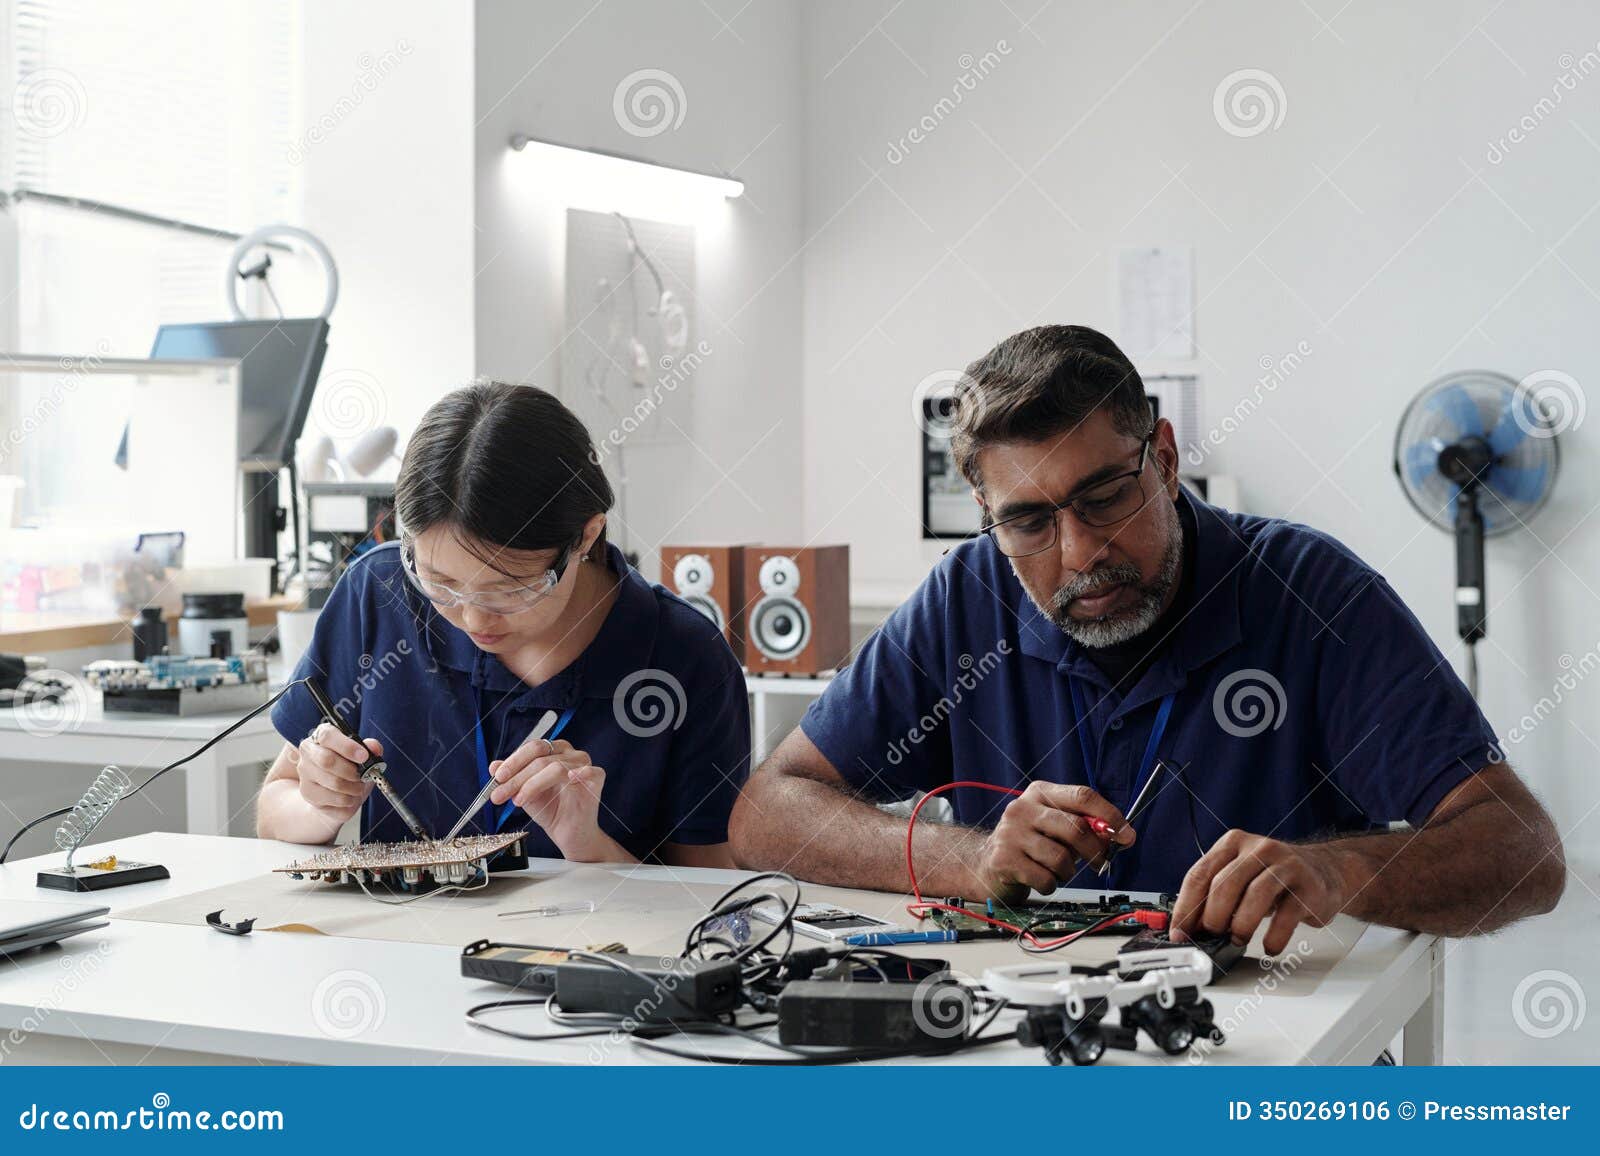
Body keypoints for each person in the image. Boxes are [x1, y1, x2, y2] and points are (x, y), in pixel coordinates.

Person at [729, 325, 1565, 954]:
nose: (1079, 551)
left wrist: (1340, 872)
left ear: (1164, 459)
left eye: (1103, 497)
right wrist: (969, 862)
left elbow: (1524, 855)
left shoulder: (1313, 595)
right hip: (1019, 1046)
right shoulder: (967, 595)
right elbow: (767, 813)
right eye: (1027, 521)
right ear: (988, 519)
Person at [258, 381, 748, 867]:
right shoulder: (379, 594)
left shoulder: (685, 656)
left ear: (584, 536)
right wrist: (319, 805)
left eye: (509, 589)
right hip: (394, 941)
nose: (472, 618)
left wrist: (588, 844)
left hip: (588, 946)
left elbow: (710, 903)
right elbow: (273, 805)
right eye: (440, 582)